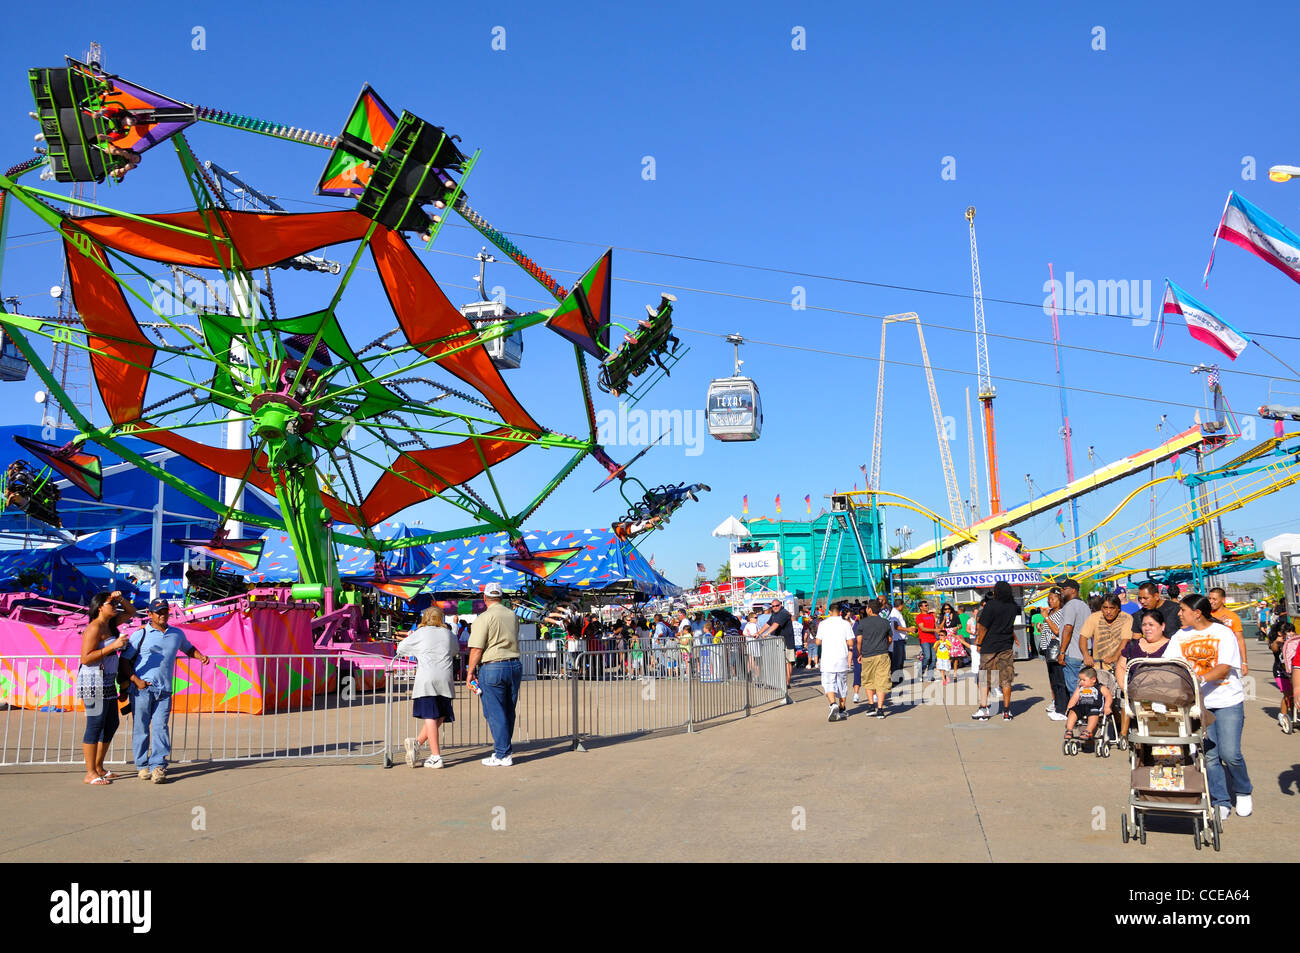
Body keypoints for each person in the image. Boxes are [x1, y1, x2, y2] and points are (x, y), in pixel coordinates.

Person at [1168, 594, 1252, 821]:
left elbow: (1224, 667)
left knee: (1231, 753)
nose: (1179, 614)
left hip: (1227, 701)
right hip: (1198, 705)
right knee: (1210, 756)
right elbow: (1170, 664)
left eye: (1182, 610)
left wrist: (1200, 678)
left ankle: (1243, 790)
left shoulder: (1223, 633)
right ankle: (1220, 799)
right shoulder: (1179, 636)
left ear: (1197, 613)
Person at [121, 598, 210, 784]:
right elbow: (124, 660)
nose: (162, 615)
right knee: (141, 728)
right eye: (158, 612)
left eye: (165, 611)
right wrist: (136, 681)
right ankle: (142, 765)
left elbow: (188, 649)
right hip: (142, 689)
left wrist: (200, 656)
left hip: (164, 690)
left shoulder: (177, 633)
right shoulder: (141, 634)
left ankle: (158, 765)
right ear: (150, 614)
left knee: (161, 727)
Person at [76, 591, 133, 785]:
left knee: (111, 724)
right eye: (111, 603)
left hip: (107, 682)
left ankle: (99, 767)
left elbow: (131, 611)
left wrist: (120, 598)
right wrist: (113, 646)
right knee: (95, 725)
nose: (114, 606)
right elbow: (85, 658)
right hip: (92, 683)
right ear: (100, 607)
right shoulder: (94, 628)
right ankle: (90, 772)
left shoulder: (110, 625)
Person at [465, 582, 521, 767]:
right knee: (507, 710)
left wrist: (470, 671)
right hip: (513, 664)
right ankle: (504, 748)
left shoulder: (484, 618)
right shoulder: (512, 615)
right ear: (501, 597)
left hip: (492, 666)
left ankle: (502, 753)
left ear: (485, 598)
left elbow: (476, 649)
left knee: (494, 711)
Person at [397, 605, 458, 769]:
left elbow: (401, 648)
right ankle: (416, 743)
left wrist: (417, 650)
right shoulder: (448, 634)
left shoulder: (420, 633)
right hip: (445, 678)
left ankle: (436, 756)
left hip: (426, 678)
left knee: (430, 716)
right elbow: (455, 650)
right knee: (441, 715)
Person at [1116, 608, 1173, 739]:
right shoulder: (1133, 645)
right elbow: (1121, 666)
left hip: (1163, 695)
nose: (1147, 628)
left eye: (1151, 625)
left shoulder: (1172, 646)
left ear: (1162, 626)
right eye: (1144, 625)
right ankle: (1124, 735)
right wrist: (1124, 688)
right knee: (1125, 700)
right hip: (1135, 693)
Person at [972, 581, 1020, 721]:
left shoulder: (991, 605)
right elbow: (1011, 626)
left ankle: (983, 709)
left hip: (989, 646)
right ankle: (1006, 711)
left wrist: (979, 642)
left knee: (984, 679)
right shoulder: (1013, 607)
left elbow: (983, 627)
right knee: (1006, 679)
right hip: (1006, 646)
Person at [815, 603, 855, 722]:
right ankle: (842, 708)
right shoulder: (845, 624)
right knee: (842, 684)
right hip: (842, 658)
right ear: (840, 612)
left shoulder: (823, 624)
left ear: (830, 612)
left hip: (828, 659)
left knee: (829, 683)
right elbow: (850, 643)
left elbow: (817, 642)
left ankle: (833, 704)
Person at [854, 600, 893, 717]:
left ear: (869, 609)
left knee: (868, 680)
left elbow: (859, 641)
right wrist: (884, 647)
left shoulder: (862, 623)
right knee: (882, 680)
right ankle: (880, 709)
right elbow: (890, 639)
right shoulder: (885, 622)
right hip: (882, 654)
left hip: (867, 655)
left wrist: (860, 653)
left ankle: (871, 706)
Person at [754, 596, 796, 702]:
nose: (775, 607)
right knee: (779, 663)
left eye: (777, 605)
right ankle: (783, 685)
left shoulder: (784, 613)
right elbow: (769, 624)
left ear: (780, 605)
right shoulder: (774, 614)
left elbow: (775, 625)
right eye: (773, 606)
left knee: (788, 662)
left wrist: (766, 633)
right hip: (778, 642)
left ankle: (787, 683)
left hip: (786, 641)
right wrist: (759, 633)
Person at [1056, 579, 1091, 698]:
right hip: (1085, 653)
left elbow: (1068, 628)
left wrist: (1062, 652)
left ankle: (1077, 713)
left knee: (1073, 688)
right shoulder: (1085, 606)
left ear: (1074, 590)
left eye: (1064, 589)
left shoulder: (1070, 605)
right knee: (1086, 687)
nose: (1061, 591)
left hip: (1072, 653)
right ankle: (1087, 711)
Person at [1080, 593, 1131, 674]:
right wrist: (1086, 655)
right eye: (1105, 608)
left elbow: (1125, 640)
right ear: (1101, 608)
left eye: (1112, 608)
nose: (1108, 611)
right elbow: (1083, 637)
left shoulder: (1126, 618)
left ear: (1118, 609)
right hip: (1097, 666)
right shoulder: (1094, 617)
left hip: (1119, 666)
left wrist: (1114, 657)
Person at [1061, 666, 1113, 746]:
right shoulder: (1080, 688)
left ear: (1093, 680)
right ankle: (1069, 730)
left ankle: (1088, 731)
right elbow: (1074, 698)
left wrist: (1107, 706)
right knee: (1073, 711)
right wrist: (1069, 708)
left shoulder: (1100, 687)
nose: (1080, 682)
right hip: (1081, 706)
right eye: (1080, 679)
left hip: (1094, 707)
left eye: (1083, 680)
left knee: (1093, 713)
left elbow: (1108, 696)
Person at [1039, 588, 1069, 720]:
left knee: (1060, 679)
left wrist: (1046, 618)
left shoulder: (1062, 613)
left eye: (1052, 599)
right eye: (1048, 599)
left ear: (1060, 599)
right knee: (1053, 680)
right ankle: (1057, 705)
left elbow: (1058, 631)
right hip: (1048, 650)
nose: (1049, 601)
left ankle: (1063, 709)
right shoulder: (1051, 612)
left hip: (1057, 650)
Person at [1207, 587, 1249, 677]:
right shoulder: (1205, 615)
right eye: (1209, 598)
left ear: (1223, 600)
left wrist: (1244, 662)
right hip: (1209, 658)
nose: (1211, 601)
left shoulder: (1232, 616)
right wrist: (1217, 621)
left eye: (1214, 599)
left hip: (1229, 660)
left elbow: (1240, 640)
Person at [938, 603, 968, 684]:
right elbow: (940, 628)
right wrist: (944, 619)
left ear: (951, 609)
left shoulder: (955, 615)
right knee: (947, 657)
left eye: (948, 609)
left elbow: (960, 625)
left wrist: (956, 627)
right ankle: (947, 675)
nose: (947, 610)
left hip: (954, 636)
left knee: (955, 657)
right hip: (946, 637)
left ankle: (954, 674)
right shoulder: (941, 616)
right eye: (945, 609)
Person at [887, 598, 910, 682]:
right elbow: (896, 626)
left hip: (899, 639)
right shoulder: (894, 613)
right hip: (897, 640)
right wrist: (908, 629)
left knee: (899, 660)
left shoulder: (896, 612)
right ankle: (896, 679)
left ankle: (899, 678)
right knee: (897, 661)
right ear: (900, 605)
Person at [914, 599, 938, 681]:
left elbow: (936, 626)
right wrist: (934, 630)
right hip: (924, 639)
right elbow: (922, 628)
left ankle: (930, 675)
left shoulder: (931, 615)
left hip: (933, 639)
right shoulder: (919, 617)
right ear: (920, 607)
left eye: (927, 605)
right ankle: (921, 673)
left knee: (933, 658)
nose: (927, 607)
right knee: (927, 656)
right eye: (925, 605)